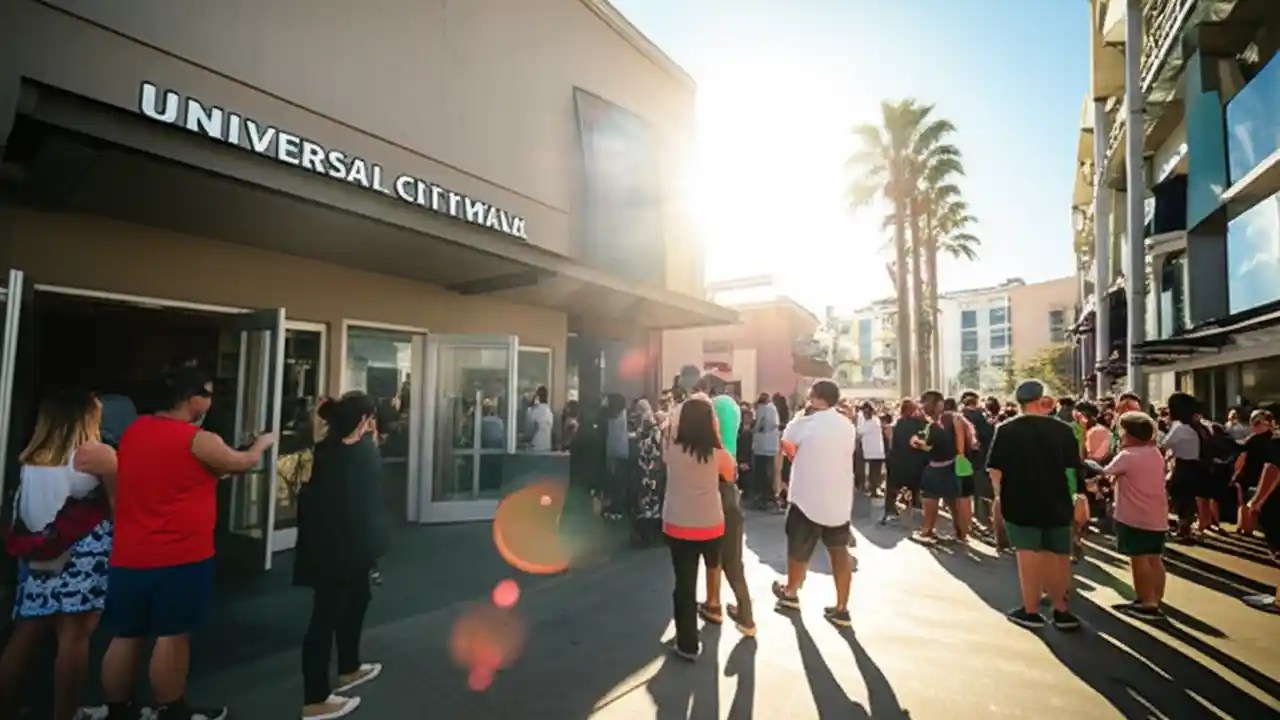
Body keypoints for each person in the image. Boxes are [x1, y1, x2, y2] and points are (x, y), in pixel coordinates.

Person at [100, 367, 276, 720]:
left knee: (125, 635)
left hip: (129, 555)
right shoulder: (198, 439)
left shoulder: (135, 431)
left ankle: (118, 711)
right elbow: (241, 463)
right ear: (191, 399)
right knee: (173, 636)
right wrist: (262, 443)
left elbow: (174, 471)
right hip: (179, 555)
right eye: (207, 394)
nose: (210, 402)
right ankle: (172, 711)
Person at [0, 390, 117, 720]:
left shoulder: (31, 461)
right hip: (80, 556)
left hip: (37, 555)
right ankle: (65, 714)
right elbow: (121, 508)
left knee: (25, 633)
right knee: (74, 640)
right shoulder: (92, 457)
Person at [295, 394, 390, 719]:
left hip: (342, 549)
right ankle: (315, 698)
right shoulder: (360, 454)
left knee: (357, 600)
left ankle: (349, 666)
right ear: (364, 420)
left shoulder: (329, 451)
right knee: (325, 618)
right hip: (338, 551)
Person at [986, 380, 1082, 631]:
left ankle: (1030, 610)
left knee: (1028, 555)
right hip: (1058, 500)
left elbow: (996, 469)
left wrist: (999, 496)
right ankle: (1062, 611)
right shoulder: (1063, 430)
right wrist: (1078, 498)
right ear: (1043, 399)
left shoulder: (1006, 429)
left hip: (1019, 500)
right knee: (1059, 556)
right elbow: (1072, 468)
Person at [771, 380, 856, 628]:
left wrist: (799, 419)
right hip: (838, 501)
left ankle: (791, 592)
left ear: (815, 397)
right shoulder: (846, 425)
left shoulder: (803, 423)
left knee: (798, 550)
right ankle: (842, 608)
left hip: (806, 497)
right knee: (839, 554)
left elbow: (788, 448)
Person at [661, 398, 734, 660]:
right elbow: (731, 475)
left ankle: (688, 645)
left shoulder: (672, 450)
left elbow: (664, 449)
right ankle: (713, 605)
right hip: (711, 524)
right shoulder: (718, 453)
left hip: (678, 524)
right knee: (713, 568)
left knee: (684, 584)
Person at [699, 385, 754, 637]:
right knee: (730, 559)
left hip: (714, 492)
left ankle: (738, 611)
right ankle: (720, 606)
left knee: (718, 557)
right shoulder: (733, 409)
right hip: (730, 489)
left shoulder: (708, 447)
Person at [1103, 412, 1169, 620]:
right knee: (1154, 559)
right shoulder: (1155, 453)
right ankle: (1155, 598)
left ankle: (1146, 602)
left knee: (1139, 560)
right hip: (1157, 515)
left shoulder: (1127, 456)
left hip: (1133, 516)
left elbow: (1106, 472)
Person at [912, 391, 966, 543]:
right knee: (953, 502)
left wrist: (916, 442)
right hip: (951, 465)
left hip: (936, 467)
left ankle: (927, 531)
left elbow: (928, 447)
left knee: (930, 499)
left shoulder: (933, 426)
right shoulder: (954, 419)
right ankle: (961, 533)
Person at [1161, 392, 1211, 541]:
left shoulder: (1180, 427)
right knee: (1188, 498)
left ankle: (1183, 529)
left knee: (1180, 498)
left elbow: (1164, 445)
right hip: (1197, 466)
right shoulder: (1199, 427)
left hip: (1183, 466)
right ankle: (1187, 528)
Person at [885, 399, 928, 525]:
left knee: (893, 487)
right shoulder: (921, 424)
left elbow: (892, 444)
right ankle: (917, 508)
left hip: (898, 460)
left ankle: (890, 510)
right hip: (916, 460)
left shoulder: (897, 424)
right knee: (916, 486)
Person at [1233, 410, 1274, 533]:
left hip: (1249, 475)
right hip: (1265, 475)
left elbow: (1241, 459)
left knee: (1244, 503)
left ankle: (1246, 527)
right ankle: (1250, 526)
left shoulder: (1250, 440)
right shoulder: (1274, 438)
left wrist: (1234, 474)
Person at [751, 393, 780, 510]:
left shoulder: (763, 410)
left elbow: (758, 426)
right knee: (770, 472)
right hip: (772, 446)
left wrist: (753, 430)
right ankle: (770, 497)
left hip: (761, 446)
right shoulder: (774, 409)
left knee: (761, 473)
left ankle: (761, 497)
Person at [855, 402, 886, 496]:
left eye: (867, 412)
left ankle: (874, 490)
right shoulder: (864, 420)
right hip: (868, 451)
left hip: (875, 452)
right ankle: (870, 489)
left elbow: (859, 432)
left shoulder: (874, 421)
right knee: (870, 472)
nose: (865, 414)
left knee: (875, 473)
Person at [525, 385, 554, 452]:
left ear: (537, 397)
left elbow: (528, 432)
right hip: (546, 447)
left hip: (535, 448)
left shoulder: (534, 411)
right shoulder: (549, 412)